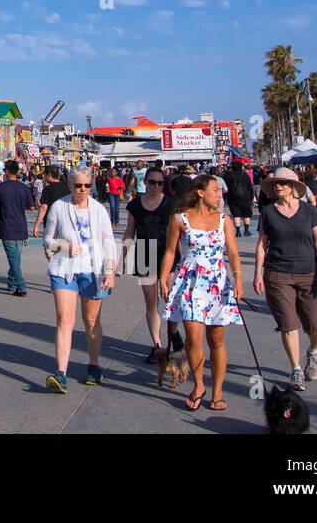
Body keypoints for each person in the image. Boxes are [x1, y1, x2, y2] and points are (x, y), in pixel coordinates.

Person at [159, 175, 243, 410]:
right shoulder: (179, 219)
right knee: (193, 340)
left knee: (216, 340)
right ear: (200, 192)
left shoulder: (223, 220)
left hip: (217, 282)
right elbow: (169, 252)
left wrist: (238, 279)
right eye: (216, 190)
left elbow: (234, 253)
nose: (220, 195)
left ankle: (217, 391)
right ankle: (199, 385)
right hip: (189, 281)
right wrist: (163, 278)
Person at [254, 167, 317, 391]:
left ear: (294, 188)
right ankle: (296, 369)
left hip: (309, 272)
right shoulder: (268, 212)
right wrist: (258, 272)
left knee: (315, 326)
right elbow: (262, 244)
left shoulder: (309, 211)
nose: (279, 186)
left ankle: (314, 351)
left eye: (283, 184)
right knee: (288, 324)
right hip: (277, 273)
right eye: (275, 183)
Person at [43, 166, 116, 392]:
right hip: (64, 269)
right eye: (78, 185)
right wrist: (63, 246)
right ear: (70, 185)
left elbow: (109, 242)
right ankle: (61, 373)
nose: (82, 189)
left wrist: (110, 271)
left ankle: (93, 366)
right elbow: (48, 239)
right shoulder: (58, 207)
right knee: (65, 319)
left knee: (91, 321)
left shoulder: (99, 210)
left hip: (93, 270)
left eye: (87, 185)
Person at [122, 167, 172, 363]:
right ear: (145, 182)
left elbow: (178, 233)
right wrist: (123, 258)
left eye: (160, 183)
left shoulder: (171, 204)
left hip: (168, 255)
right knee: (152, 304)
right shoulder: (135, 205)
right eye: (152, 182)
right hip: (145, 254)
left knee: (171, 301)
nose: (156, 187)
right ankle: (157, 345)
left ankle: (173, 338)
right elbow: (129, 232)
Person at [0, 160, 35, 295]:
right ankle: (11, 282)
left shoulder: (0, 188)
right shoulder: (24, 187)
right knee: (16, 256)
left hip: (7, 225)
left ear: (7, 171)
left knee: (13, 257)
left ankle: (21, 286)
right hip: (21, 225)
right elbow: (31, 207)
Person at [31, 165, 67, 237]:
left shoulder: (48, 189)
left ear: (49, 175)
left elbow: (43, 208)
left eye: (44, 174)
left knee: (51, 246)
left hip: (51, 225)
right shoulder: (67, 187)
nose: (43, 176)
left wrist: (36, 225)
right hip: (65, 225)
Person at [226, 160, 255, 236]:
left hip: (233, 197)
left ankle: (238, 231)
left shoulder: (229, 175)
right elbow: (250, 187)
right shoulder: (245, 175)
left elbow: (227, 187)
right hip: (245, 197)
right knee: (246, 214)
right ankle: (246, 230)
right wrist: (252, 196)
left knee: (236, 214)